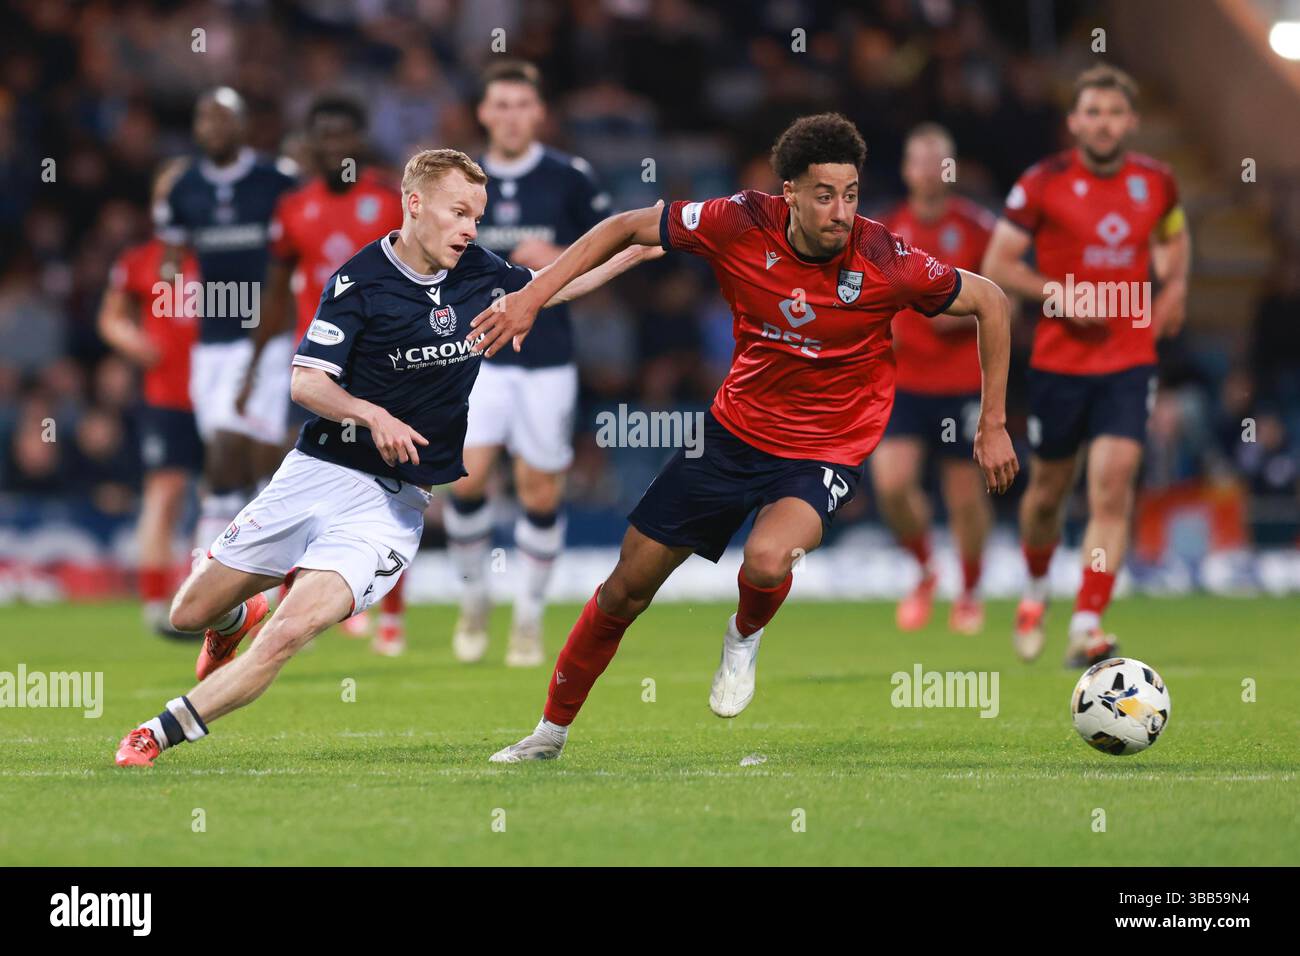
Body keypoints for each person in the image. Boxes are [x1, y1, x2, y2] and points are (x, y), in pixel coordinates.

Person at [478, 113, 1019, 763]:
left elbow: (990, 299)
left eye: (850, 194)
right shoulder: (738, 221)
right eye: (824, 194)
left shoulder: (886, 258)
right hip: (731, 433)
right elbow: (626, 227)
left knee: (766, 560)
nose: (841, 210)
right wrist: (534, 296)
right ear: (788, 191)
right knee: (626, 588)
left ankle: (743, 636)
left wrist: (991, 425)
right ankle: (549, 734)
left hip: (825, 446)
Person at [114, 148, 658, 767]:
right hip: (316, 473)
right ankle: (235, 615)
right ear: (415, 204)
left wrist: (633, 253)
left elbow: (551, 287)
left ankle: (156, 733)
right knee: (189, 613)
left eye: (477, 218)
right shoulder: (358, 281)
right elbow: (305, 384)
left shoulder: (479, 271)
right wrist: (371, 414)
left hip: (391, 503)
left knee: (289, 633)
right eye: (460, 214)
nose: (471, 230)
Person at [981, 65, 1189, 666]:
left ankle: (1088, 623)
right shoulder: (1042, 183)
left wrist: (1173, 292)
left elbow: (1175, 239)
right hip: (1059, 364)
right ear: (1074, 122)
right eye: (1092, 112)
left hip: (1129, 360)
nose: (1103, 122)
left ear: (1132, 122)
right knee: (1047, 494)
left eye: (1114, 112)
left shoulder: (1158, 183)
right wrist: (1058, 294)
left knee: (1113, 483)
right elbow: (998, 263)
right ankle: (1036, 589)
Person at [445, 60, 612, 667]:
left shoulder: (570, 178)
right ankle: (473, 600)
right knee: (465, 475)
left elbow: (606, 259)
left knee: (540, 490)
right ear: (484, 113)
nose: (512, 115)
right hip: (474, 352)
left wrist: (563, 259)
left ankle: (529, 618)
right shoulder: (456, 178)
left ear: (539, 113)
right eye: (501, 104)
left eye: (523, 104)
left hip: (546, 357)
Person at [242, 94, 406, 653]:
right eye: (324, 136)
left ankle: (390, 614)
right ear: (310, 143)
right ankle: (301, 599)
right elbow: (275, 288)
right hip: (316, 367)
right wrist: (251, 365)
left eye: (343, 134)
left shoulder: (388, 201)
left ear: (359, 140)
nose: (334, 146)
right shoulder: (292, 208)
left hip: (383, 363)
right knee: (304, 482)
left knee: (392, 480)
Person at [155, 87, 298, 552]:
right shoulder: (184, 187)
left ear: (242, 126)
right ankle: (239, 573)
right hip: (211, 336)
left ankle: (211, 571)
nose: (213, 129)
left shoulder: (277, 181)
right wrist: (170, 276)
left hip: (266, 335)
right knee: (227, 463)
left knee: (237, 451)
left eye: (223, 120)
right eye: (204, 120)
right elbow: (172, 255)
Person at [874, 124, 996, 634]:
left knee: (965, 496)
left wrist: (958, 314)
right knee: (892, 484)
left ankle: (968, 593)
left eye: (938, 162)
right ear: (907, 171)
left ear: (951, 170)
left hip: (963, 381)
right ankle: (925, 570)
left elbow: (1001, 304)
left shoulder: (977, 229)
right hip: (904, 381)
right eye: (919, 161)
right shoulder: (882, 230)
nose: (929, 171)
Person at [98, 159, 202, 637]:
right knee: (165, 491)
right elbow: (111, 316)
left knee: (222, 492)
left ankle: (209, 596)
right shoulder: (139, 260)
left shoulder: (219, 256)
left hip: (219, 393)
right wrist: (132, 341)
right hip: (166, 393)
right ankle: (155, 601)